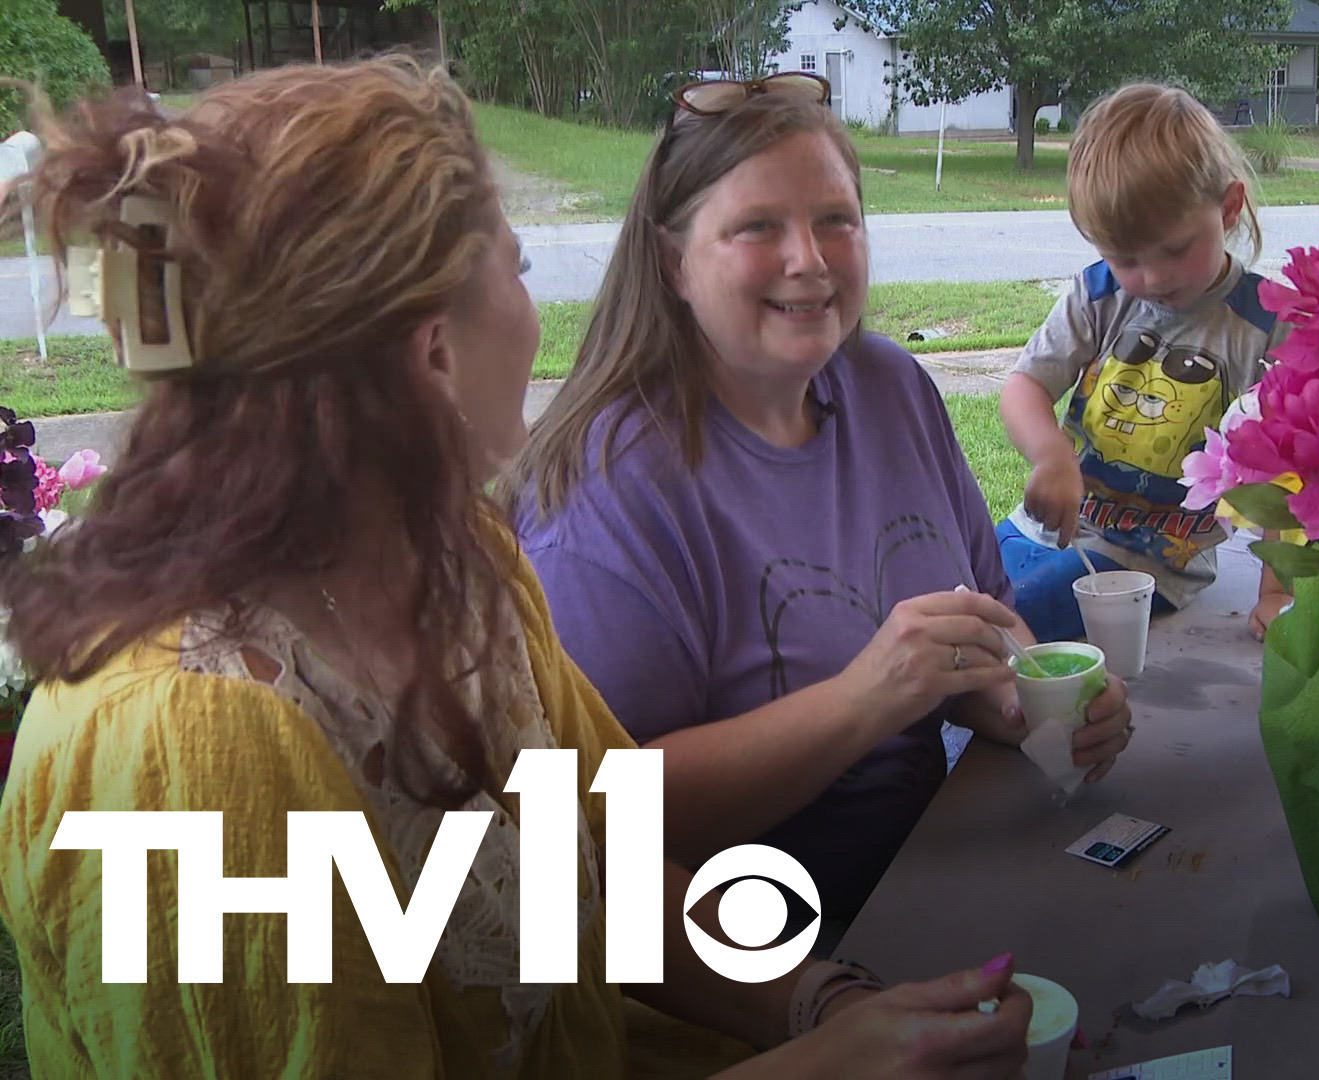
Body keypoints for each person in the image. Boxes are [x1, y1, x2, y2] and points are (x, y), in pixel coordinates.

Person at [0, 59, 1034, 1079]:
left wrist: (819, 999)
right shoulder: (188, 754)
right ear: (433, 353)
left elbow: (597, 866)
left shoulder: (462, 562)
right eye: (520, 270)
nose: (540, 319)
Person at [504, 73, 1135, 941]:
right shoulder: (604, 489)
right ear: (671, 261)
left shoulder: (890, 387)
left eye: (835, 219)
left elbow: (980, 641)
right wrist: (862, 701)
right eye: (758, 226)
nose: (809, 258)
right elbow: (591, 825)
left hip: (929, 889)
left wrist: (1039, 707)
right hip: (751, 979)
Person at [995, 83, 1294, 643]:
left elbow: (1287, 471)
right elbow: (1024, 386)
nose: (1153, 279)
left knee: (1012, 623)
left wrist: (1277, 591)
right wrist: (1050, 456)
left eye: (1176, 249)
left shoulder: (1265, 323)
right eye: (1126, 257)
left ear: (1229, 208)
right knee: (951, 591)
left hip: (1150, 562)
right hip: (1047, 531)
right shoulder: (1100, 295)